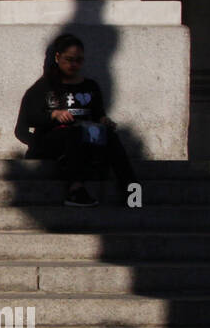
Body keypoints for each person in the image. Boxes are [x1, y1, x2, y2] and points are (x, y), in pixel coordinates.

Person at [14, 33, 135, 207]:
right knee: (74, 132)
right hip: (55, 141)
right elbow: (23, 126)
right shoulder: (43, 87)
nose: (73, 65)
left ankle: (132, 192)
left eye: (78, 60)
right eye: (69, 59)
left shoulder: (90, 86)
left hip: (85, 140)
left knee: (111, 137)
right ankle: (75, 190)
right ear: (57, 57)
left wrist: (104, 121)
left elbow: (98, 114)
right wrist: (53, 116)